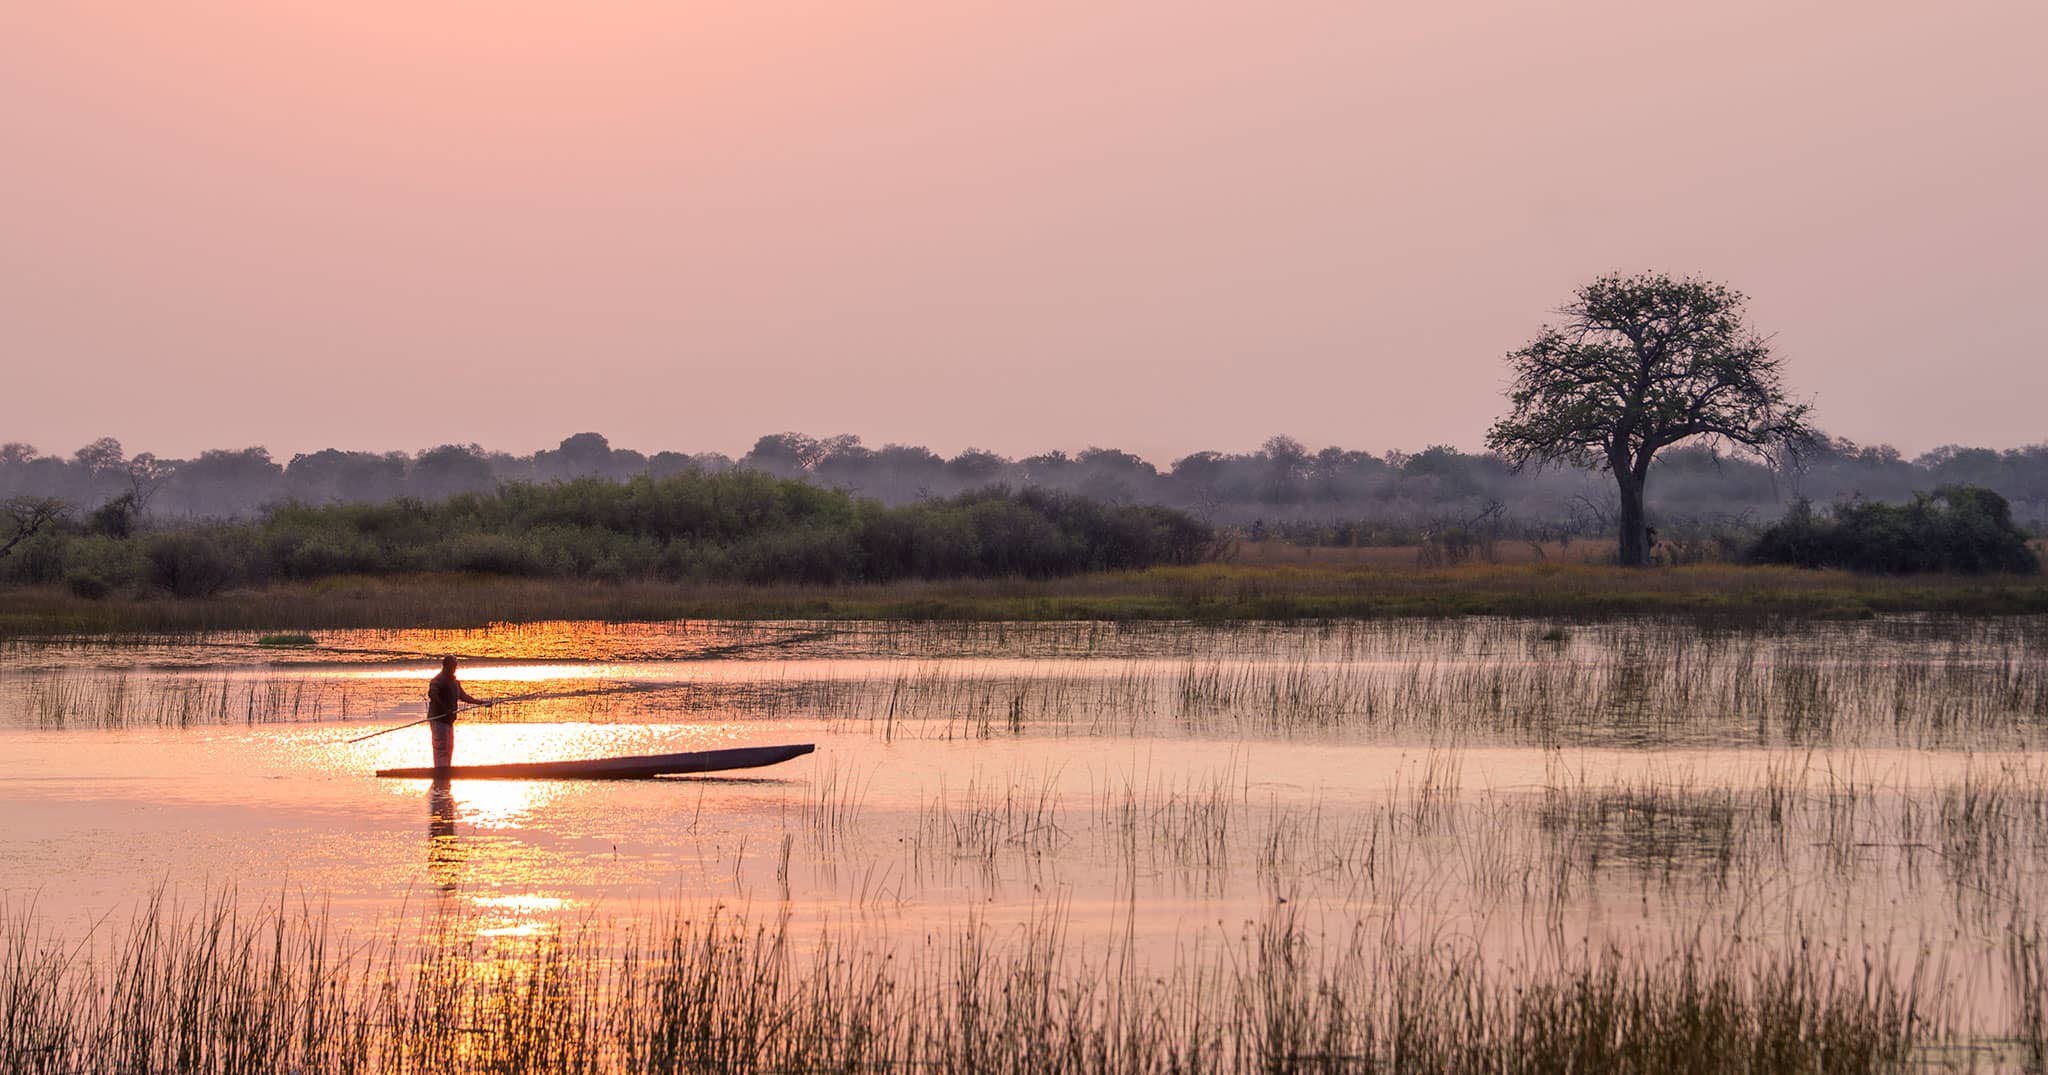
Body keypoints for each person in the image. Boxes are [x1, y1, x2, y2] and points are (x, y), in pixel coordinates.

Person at [427, 656, 489, 770]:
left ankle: (445, 772)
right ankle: (441, 773)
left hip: (449, 720)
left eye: (455, 666)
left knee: (449, 747)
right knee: (441, 747)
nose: (454, 668)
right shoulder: (438, 680)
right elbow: (432, 694)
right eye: (452, 666)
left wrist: (481, 703)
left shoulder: (455, 682)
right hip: (438, 719)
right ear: (446, 666)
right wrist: (444, 708)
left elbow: (463, 696)